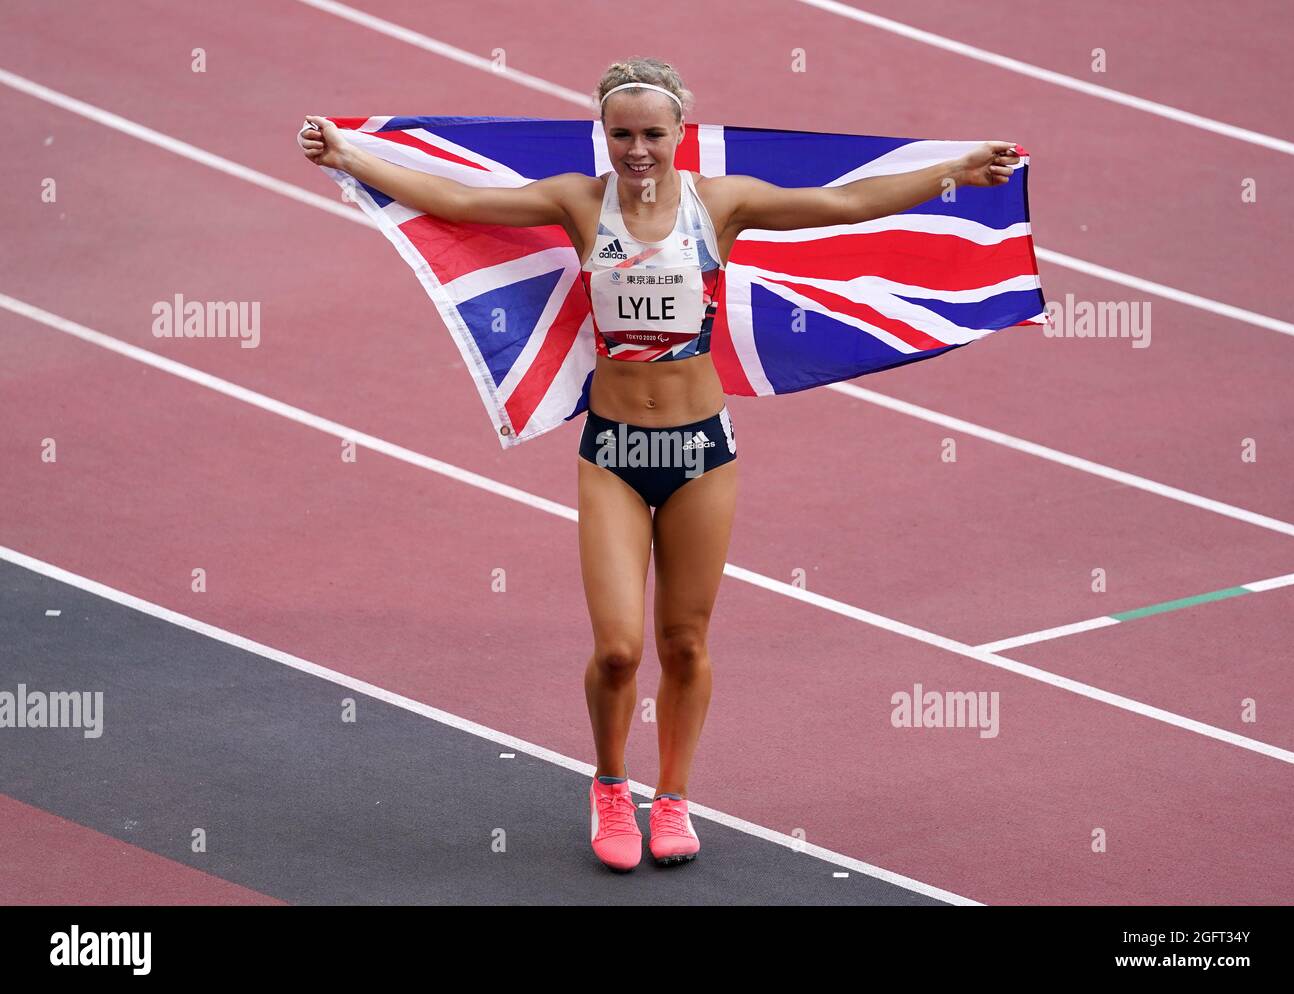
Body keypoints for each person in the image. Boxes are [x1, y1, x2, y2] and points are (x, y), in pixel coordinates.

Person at [299, 56, 1020, 873]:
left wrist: (955, 170)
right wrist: (350, 157)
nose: (636, 149)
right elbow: (461, 200)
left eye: (651, 133)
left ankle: (672, 798)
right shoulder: (579, 199)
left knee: (684, 642)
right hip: (613, 451)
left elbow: (844, 203)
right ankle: (611, 784)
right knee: (616, 649)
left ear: (682, 132)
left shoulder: (721, 202)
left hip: (701, 450)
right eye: (621, 134)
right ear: (602, 134)